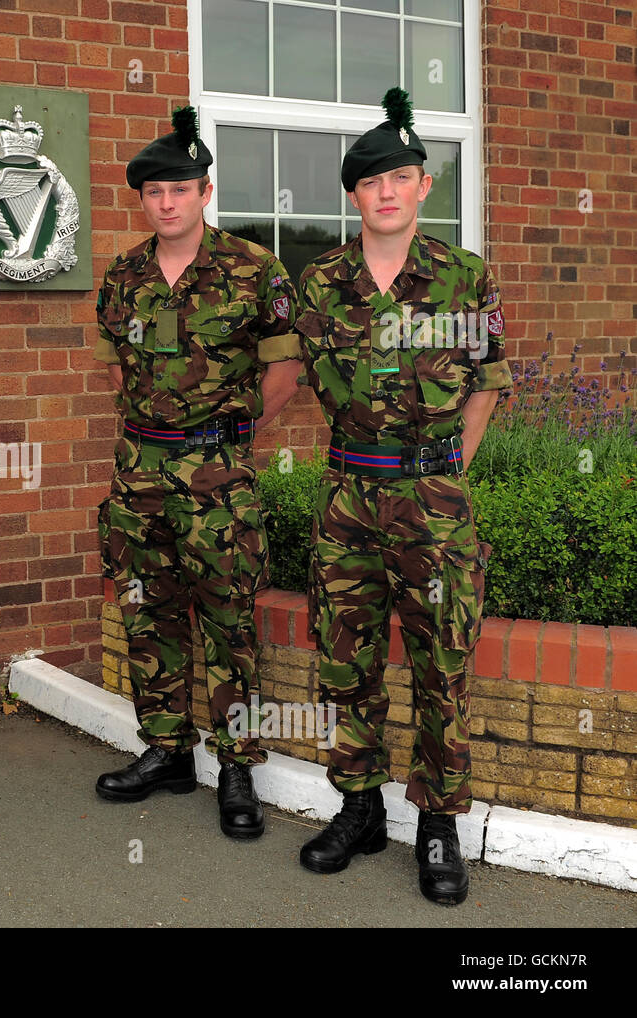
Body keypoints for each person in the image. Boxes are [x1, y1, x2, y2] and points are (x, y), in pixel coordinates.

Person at [294, 89, 511, 905]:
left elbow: (489, 382)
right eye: (370, 181)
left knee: (439, 663)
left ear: (425, 186)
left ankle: (439, 824)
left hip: (433, 502)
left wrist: (447, 469)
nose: (386, 192)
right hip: (349, 497)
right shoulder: (321, 286)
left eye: (401, 177)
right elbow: (300, 376)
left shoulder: (463, 278)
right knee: (345, 659)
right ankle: (357, 808)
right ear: (353, 196)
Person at [92, 107, 303, 839]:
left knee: (228, 621)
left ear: (205, 192)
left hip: (217, 473)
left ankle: (237, 764)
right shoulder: (123, 277)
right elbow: (120, 370)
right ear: (143, 201)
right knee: (148, 611)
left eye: (180, 189)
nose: (167, 202)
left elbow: (284, 373)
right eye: (154, 192)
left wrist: (231, 437)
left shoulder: (254, 270)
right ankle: (168, 750)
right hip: (139, 472)